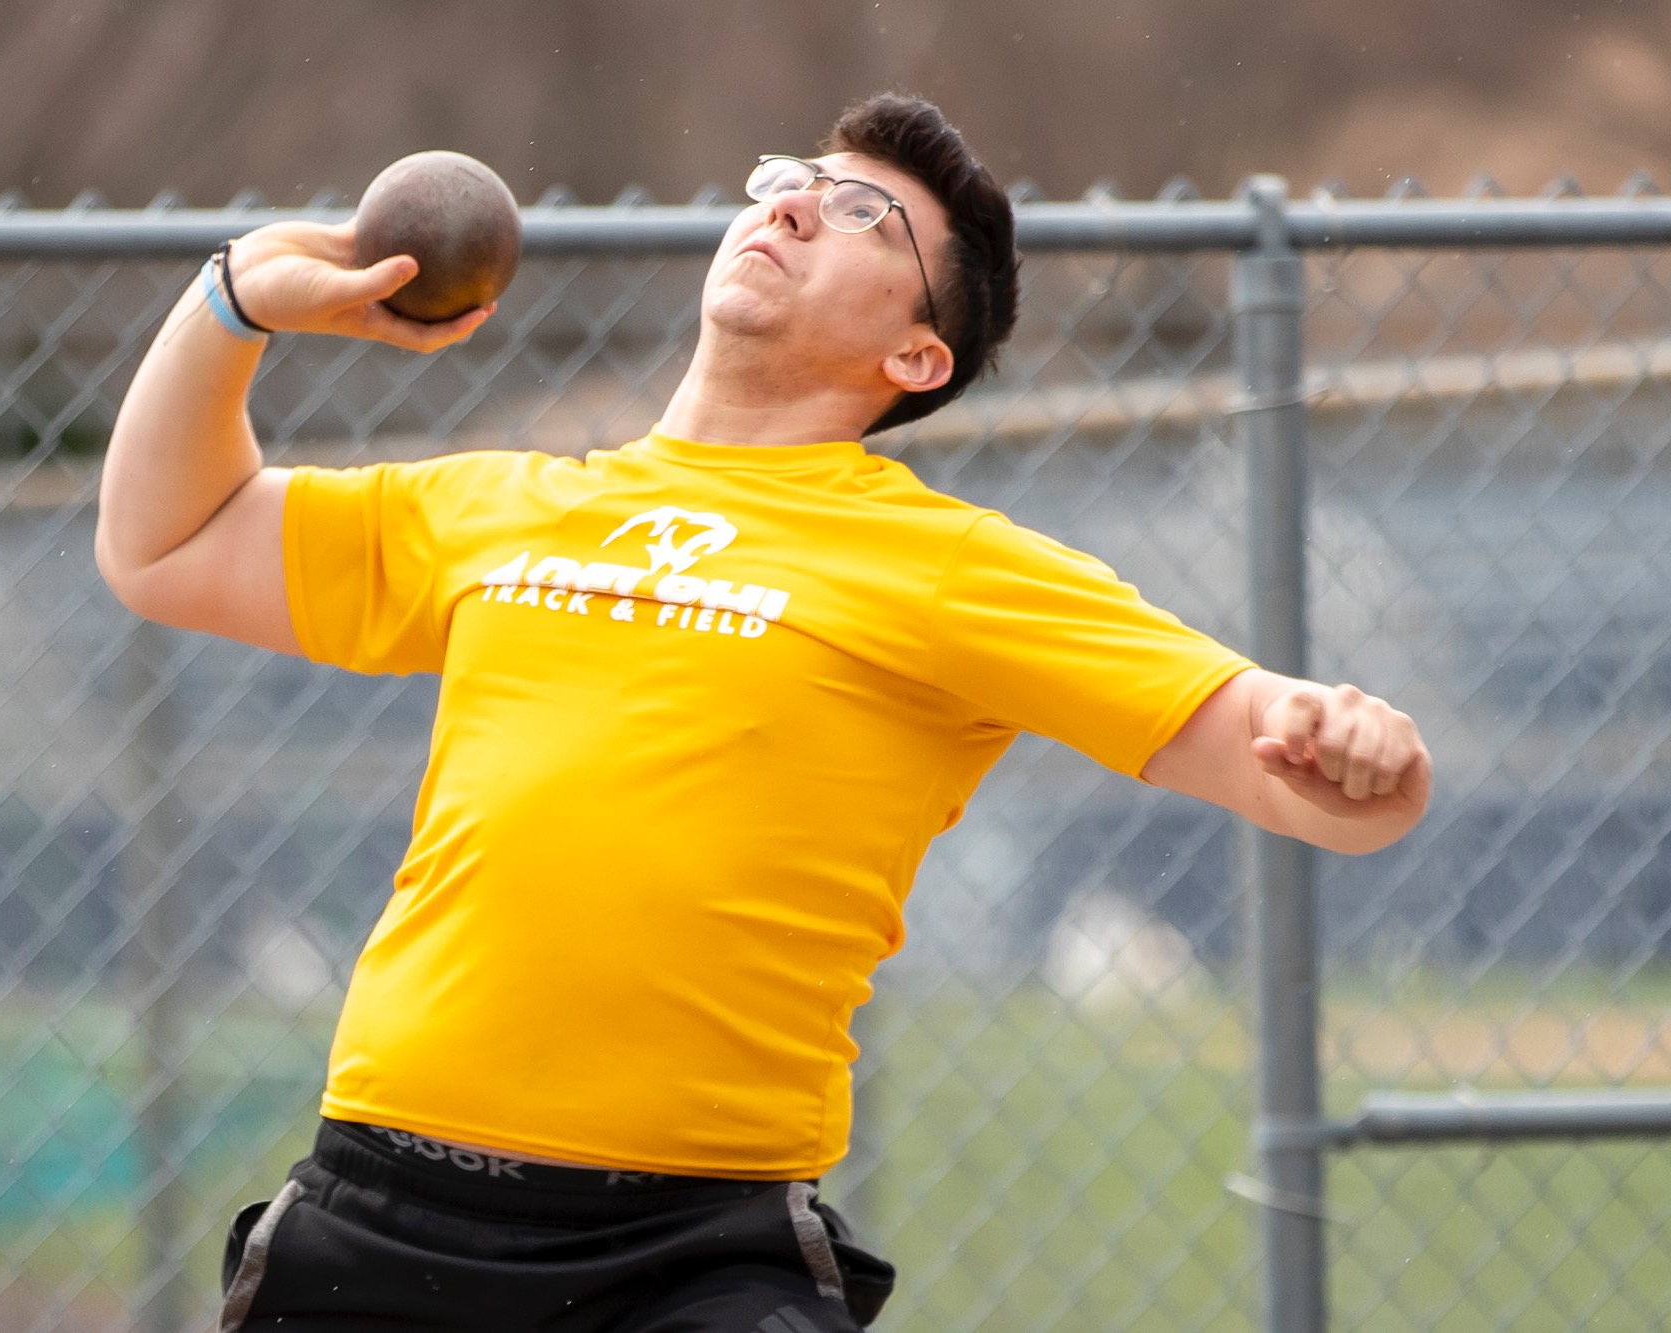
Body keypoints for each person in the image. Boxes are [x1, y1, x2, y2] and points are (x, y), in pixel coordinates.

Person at [96, 94, 1430, 1333]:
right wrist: (233, 303)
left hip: (688, 1252)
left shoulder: (949, 564)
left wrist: (1365, 754)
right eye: (789, 183)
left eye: (862, 214)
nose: (789, 205)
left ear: (920, 351)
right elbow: (163, 543)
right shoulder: (506, 503)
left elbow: (1302, 775)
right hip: (387, 1203)